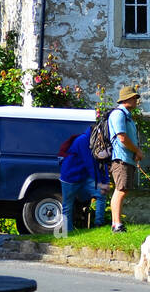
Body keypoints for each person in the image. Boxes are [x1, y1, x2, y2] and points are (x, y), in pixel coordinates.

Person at [108, 85, 144, 233]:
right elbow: (122, 138)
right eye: (134, 97)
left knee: (122, 189)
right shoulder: (118, 114)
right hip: (121, 159)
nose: (136, 100)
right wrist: (137, 151)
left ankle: (116, 223)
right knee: (121, 190)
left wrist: (135, 152)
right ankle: (116, 224)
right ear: (126, 99)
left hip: (127, 158)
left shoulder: (126, 115)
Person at [58, 130, 110, 233]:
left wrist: (106, 182)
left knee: (101, 194)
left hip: (84, 177)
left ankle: (99, 225)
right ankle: (68, 232)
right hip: (69, 177)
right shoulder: (82, 140)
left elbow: (102, 163)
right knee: (67, 206)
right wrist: (100, 183)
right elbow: (90, 164)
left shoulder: (96, 142)